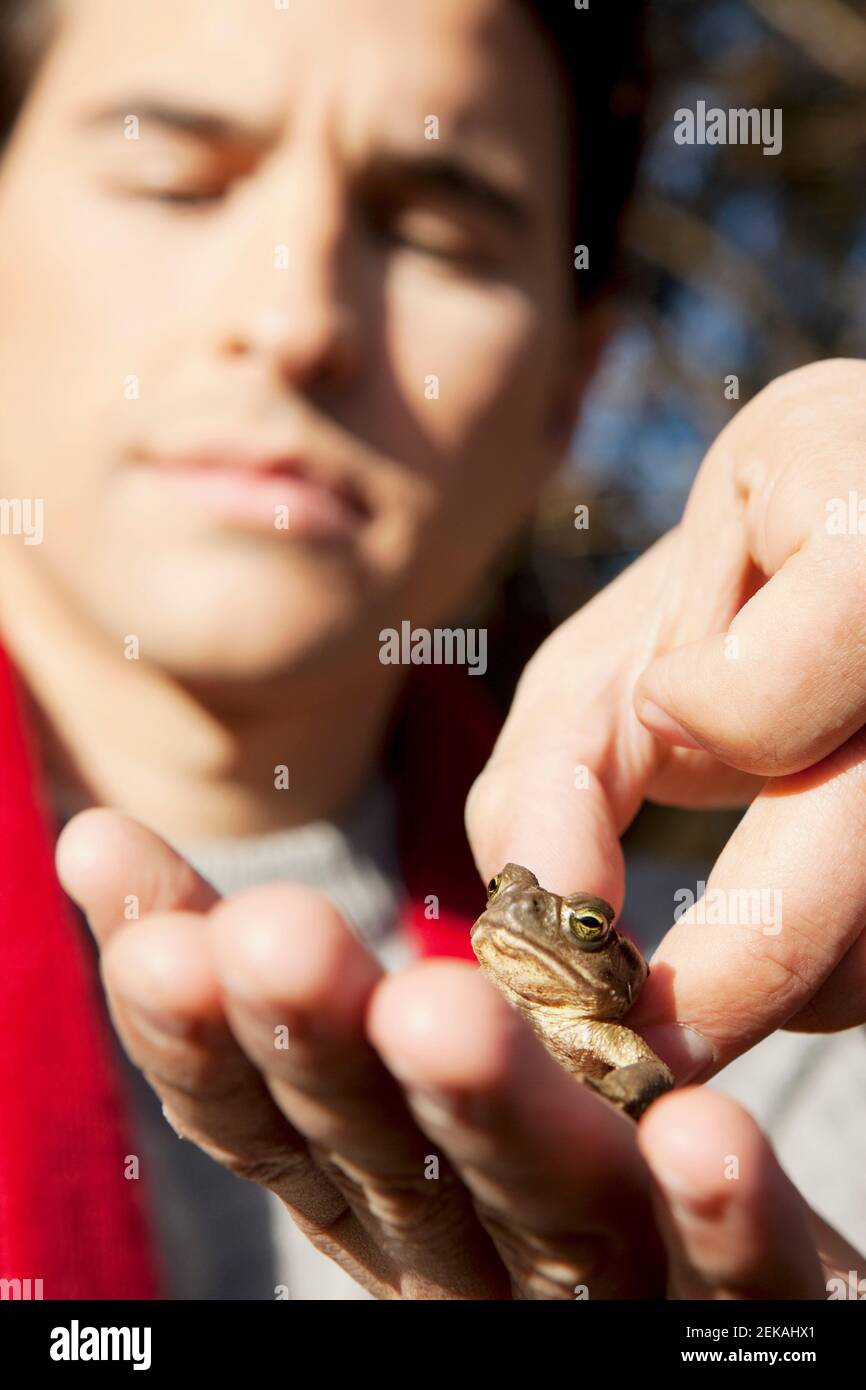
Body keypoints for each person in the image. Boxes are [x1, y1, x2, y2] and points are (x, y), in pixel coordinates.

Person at [0, 0, 862, 1301]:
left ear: (574, 386)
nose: (295, 321)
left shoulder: (766, 1039)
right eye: (177, 177)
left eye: (437, 228)